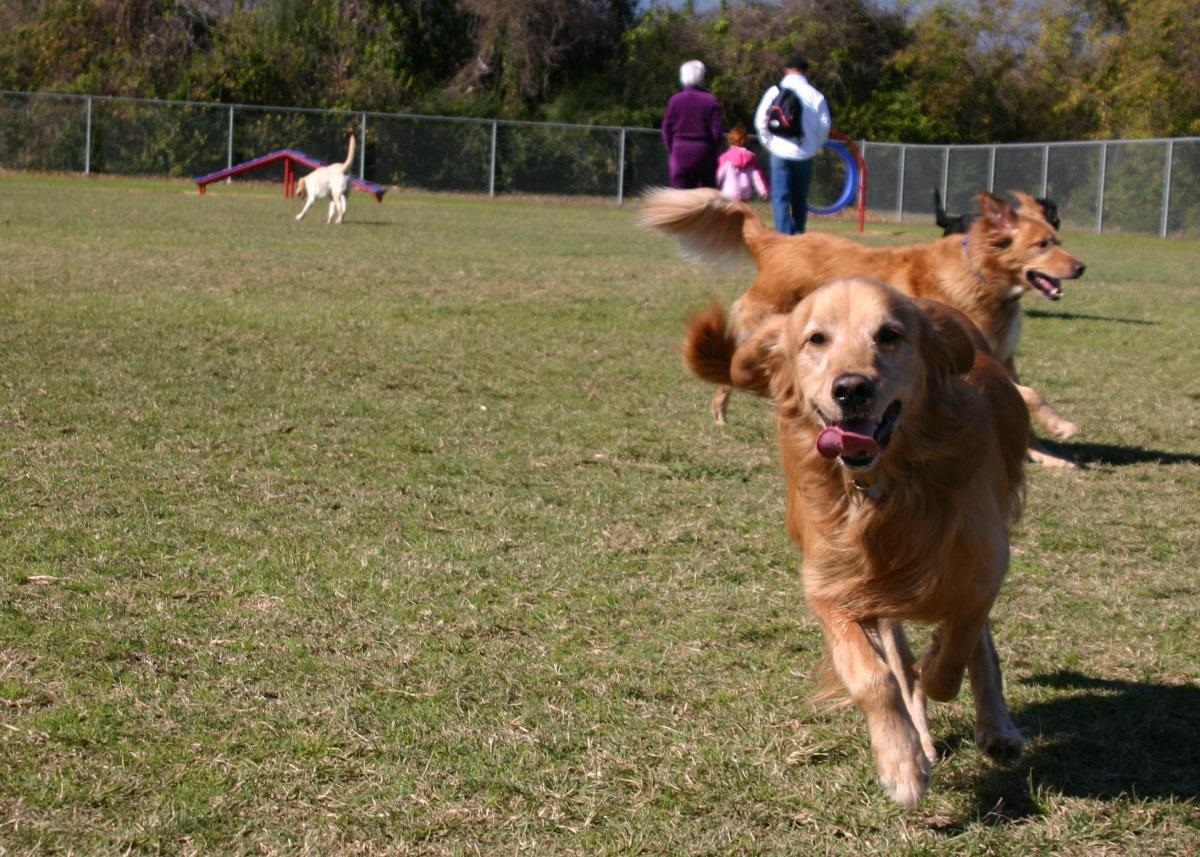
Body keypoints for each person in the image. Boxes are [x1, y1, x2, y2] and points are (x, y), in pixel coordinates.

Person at [753, 56, 832, 234]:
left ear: (786, 70)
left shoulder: (774, 91)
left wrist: (769, 144)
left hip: (780, 151)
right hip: (804, 154)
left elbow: (760, 122)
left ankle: (782, 237)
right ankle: (798, 238)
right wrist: (813, 146)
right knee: (799, 199)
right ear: (806, 72)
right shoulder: (815, 95)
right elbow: (824, 126)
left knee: (780, 198)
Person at [661, 60, 724, 190]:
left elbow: (667, 129)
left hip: (680, 151)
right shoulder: (710, 100)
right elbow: (717, 132)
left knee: (679, 198)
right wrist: (711, 150)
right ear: (702, 77)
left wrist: (672, 149)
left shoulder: (675, 100)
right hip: (703, 151)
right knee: (705, 197)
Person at [716, 126, 769, 201]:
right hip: (745, 192)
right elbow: (757, 177)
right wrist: (764, 192)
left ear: (730, 140)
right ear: (745, 141)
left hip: (729, 192)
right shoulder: (751, 159)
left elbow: (719, 175)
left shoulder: (726, 158)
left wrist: (712, 187)